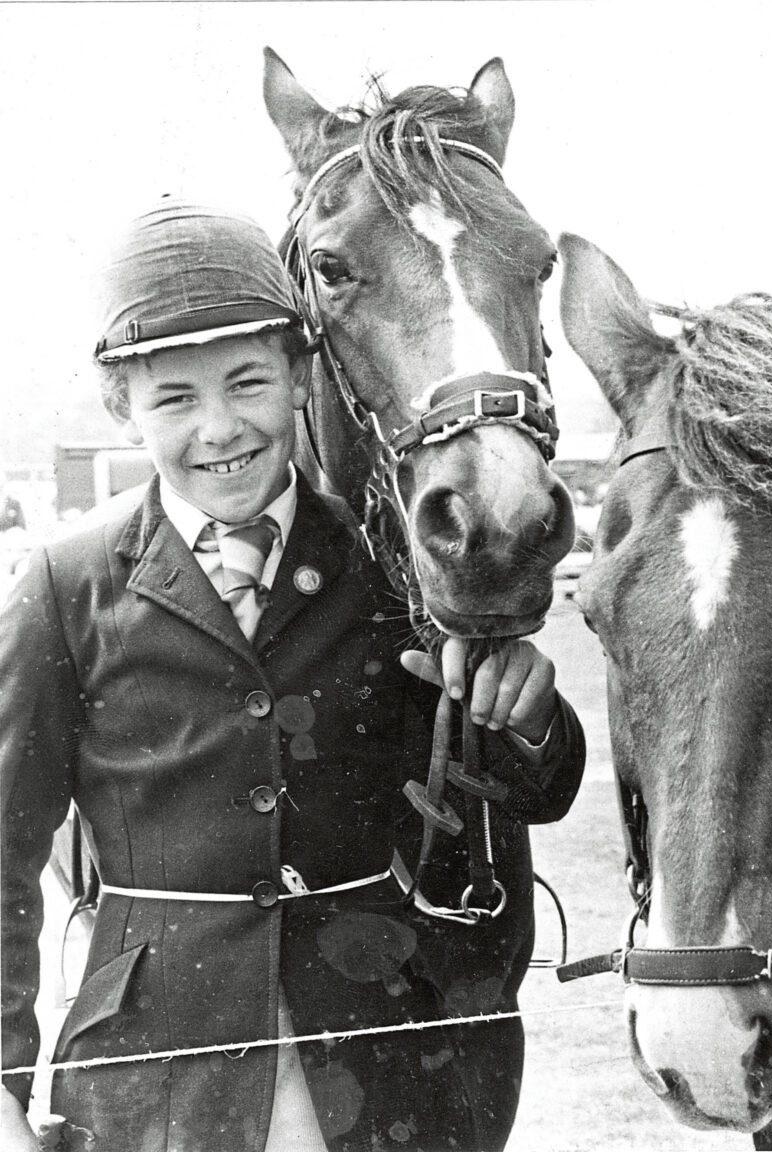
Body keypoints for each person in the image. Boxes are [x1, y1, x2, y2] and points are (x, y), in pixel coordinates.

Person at [0, 199, 585, 1152]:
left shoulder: (398, 564)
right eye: (175, 399)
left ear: (303, 373)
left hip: (386, 1062)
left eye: (247, 383)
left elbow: (535, 788)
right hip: (155, 1080)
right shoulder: (65, 587)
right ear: (120, 405)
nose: (219, 428)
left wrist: (528, 720)